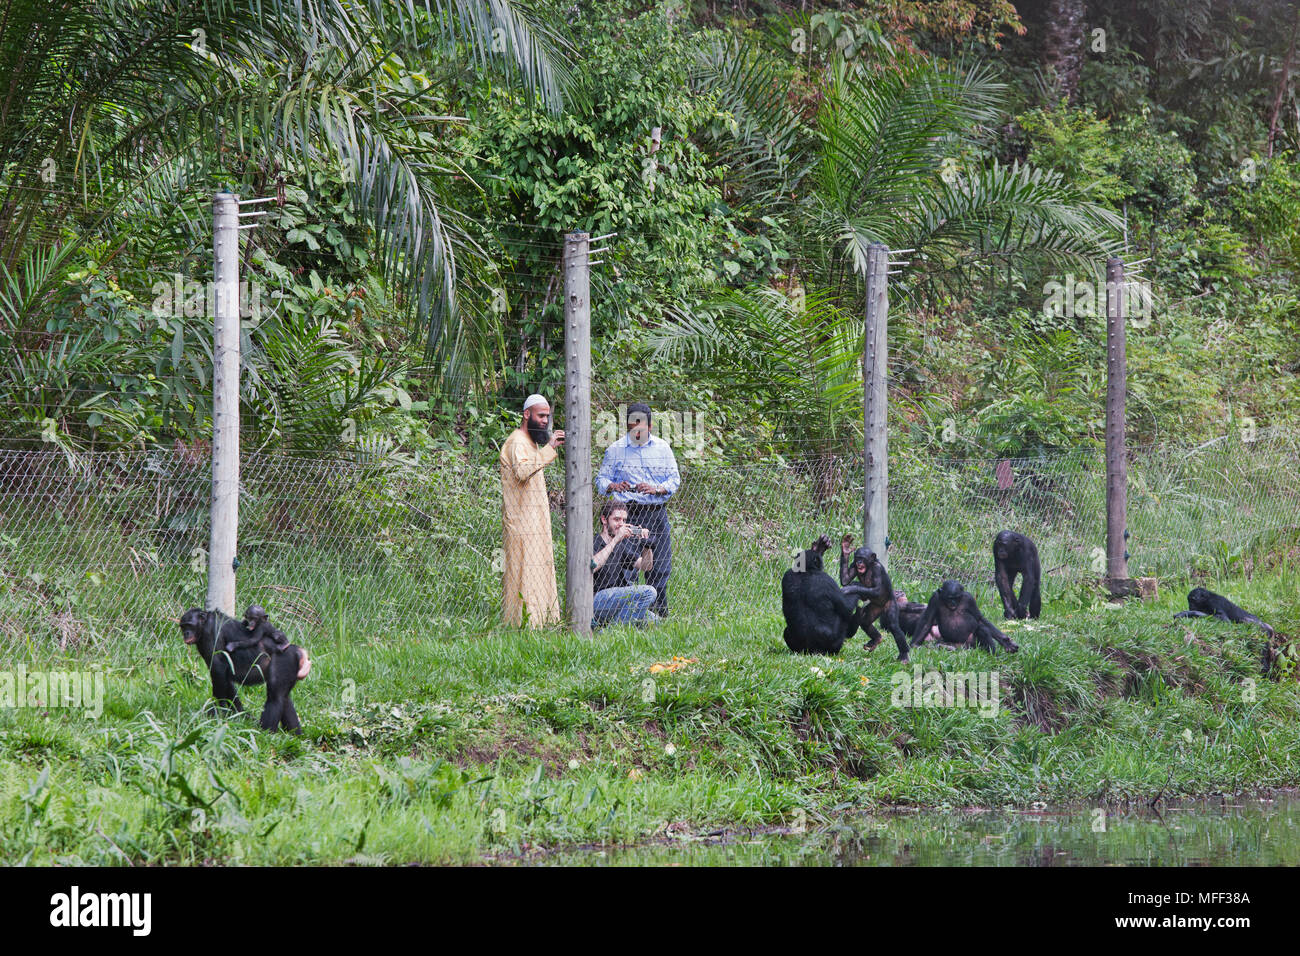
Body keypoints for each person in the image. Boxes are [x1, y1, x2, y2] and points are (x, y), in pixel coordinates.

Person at [596, 402, 679, 618]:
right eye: (632, 428)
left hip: (656, 511)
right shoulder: (615, 450)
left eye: (641, 428)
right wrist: (613, 486)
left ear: (650, 426)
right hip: (628, 513)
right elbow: (601, 480)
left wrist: (657, 489)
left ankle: (658, 615)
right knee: (628, 567)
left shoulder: (663, 448)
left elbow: (674, 480)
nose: (637, 432)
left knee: (659, 565)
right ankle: (627, 615)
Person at [499, 394, 565, 628]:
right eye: (541, 416)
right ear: (527, 415)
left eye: (547, 416)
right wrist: (549, 450)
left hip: (535, 524)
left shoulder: (531, 443)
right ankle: (523, 626)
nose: (545, 421)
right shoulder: (517, 441)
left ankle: (543, 623)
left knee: (539, 574)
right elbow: (523, 471)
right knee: (524, 576)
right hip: (522, 526)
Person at [592, 501, 657, 627]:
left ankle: (606, 627)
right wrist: (616, 540)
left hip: (619, 598)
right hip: (596, 599)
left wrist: (647, 545)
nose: (621, 524)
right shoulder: (593, 541)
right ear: (604, 519)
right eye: (616, 519)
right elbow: (592, 566)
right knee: (649, 592)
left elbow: (645, 566)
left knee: (655, 621)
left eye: (624, 520)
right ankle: (610, 634)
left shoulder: (620, 546)